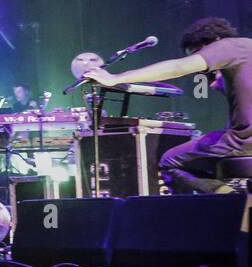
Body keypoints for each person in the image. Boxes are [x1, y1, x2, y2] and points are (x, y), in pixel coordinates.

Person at [84, 17, 252, 194]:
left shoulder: (226, 46)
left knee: (170, 162)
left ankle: (235, 202)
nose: (207, 73)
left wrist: (114, 78)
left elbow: (177, 67)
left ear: (213, 42)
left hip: (244, 141)